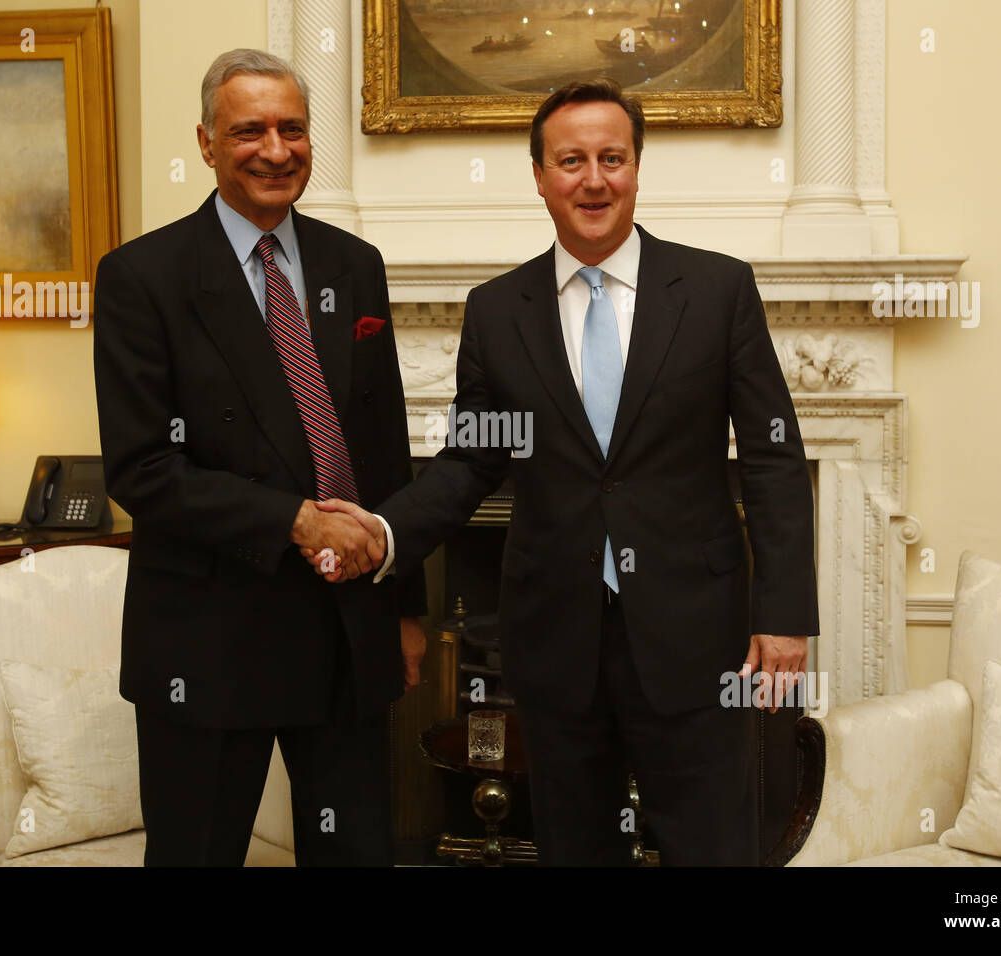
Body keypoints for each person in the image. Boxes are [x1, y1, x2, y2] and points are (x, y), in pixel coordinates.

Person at [307, 78, 818, 865]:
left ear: (638, 168)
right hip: (557, 641)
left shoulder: (718, 290)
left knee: (712, 845)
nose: (593, 178)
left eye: (612, 157)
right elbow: (473, 458)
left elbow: (775, 455)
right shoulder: (496, 310)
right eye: (571, 159)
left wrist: (783, 614)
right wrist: (382, 529)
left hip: (694, 637)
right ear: (540, 175)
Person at [93, 48, 426, 866]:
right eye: (250, 131)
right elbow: (142, 469)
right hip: (208, 645)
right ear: (206, 144)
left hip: (348, 634)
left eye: (292, 130)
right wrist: (296, 520)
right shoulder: (142, 277)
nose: (276, 150)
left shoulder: (357, 267)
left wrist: (406, 608)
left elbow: (384, 452)